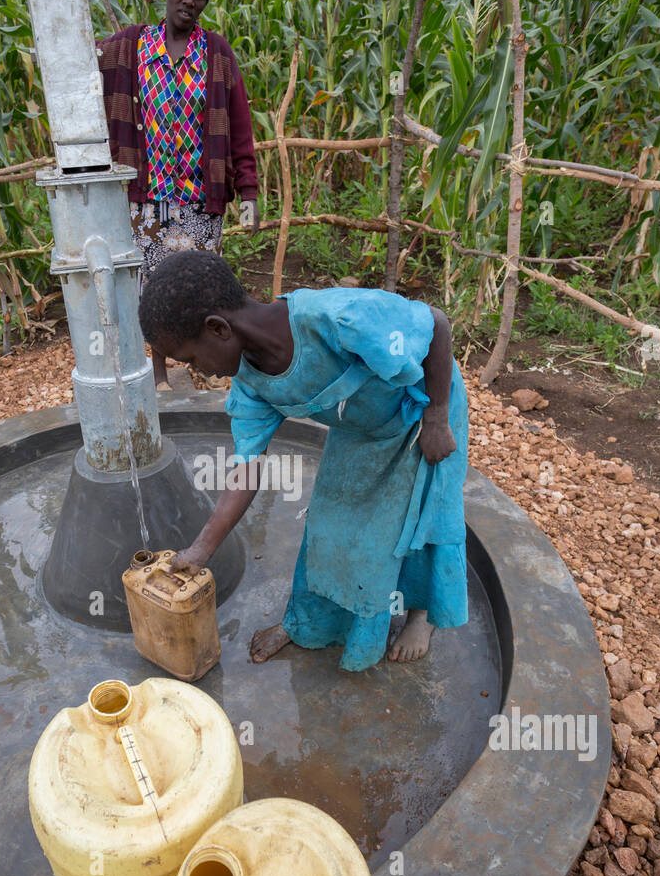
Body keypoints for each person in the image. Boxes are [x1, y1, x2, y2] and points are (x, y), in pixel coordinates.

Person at [137, 251, 469, 671]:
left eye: (192, 360)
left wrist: (437, 416)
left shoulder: (334, 318)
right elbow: (247, 471)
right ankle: (308, 623)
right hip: (361, 431)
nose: (198, 371)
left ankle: (421, 617)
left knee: (421, 518)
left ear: (218, 329)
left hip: (422, 414)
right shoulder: (252, 384)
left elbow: (435, 322)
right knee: (329, 524)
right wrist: (201, 548)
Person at [95, 0, 259, 390]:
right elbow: (79, 55)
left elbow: (240, 124)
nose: (190, 1)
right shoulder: (130, 47)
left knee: (201, 288)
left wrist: (247, 191)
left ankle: (203, 369)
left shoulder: (217, 54)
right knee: (154, 289)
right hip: (148, 201)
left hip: (198, 200)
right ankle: (161, 373)